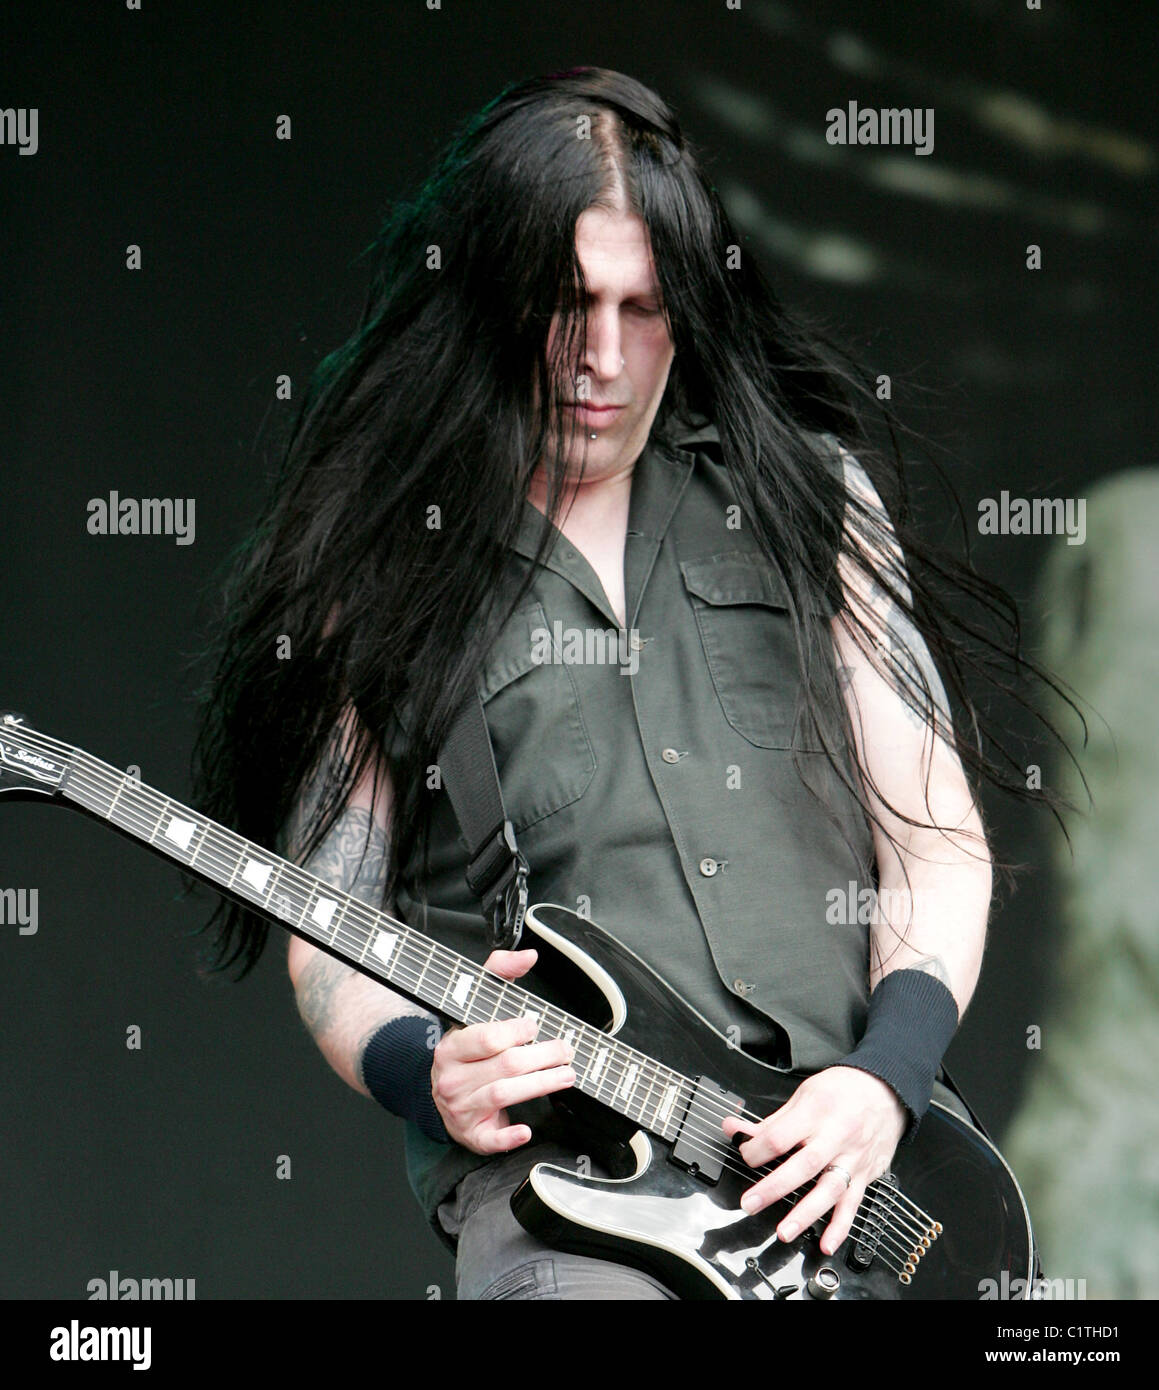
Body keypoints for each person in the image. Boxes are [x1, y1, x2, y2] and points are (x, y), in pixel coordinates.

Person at [191, 68, 1069, 1299]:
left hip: (856, 1168)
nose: (601, 357)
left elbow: (937, 846)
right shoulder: (378, 563)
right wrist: (423, 1067)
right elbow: (323, 927)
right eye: (564, 304)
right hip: (578, 1195)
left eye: (642, 308)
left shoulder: (809, 504)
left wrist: (882, 1081)